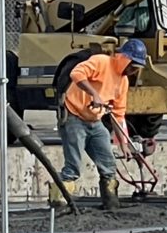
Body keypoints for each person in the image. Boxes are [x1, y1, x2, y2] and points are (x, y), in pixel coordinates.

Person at [49, 39, 147, 210]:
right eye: (132, 65)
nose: (133, 70)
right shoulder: (101, 62)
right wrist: (93, 93)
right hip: (73, 117)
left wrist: (123, 143)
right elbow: (76, 74)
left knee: (108, 165)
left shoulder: (123, 82)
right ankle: (58, 202)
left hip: (95, 122)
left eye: (136, 68)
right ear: (124, 58)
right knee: (73, 167)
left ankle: (111, 204)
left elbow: (118, 113)